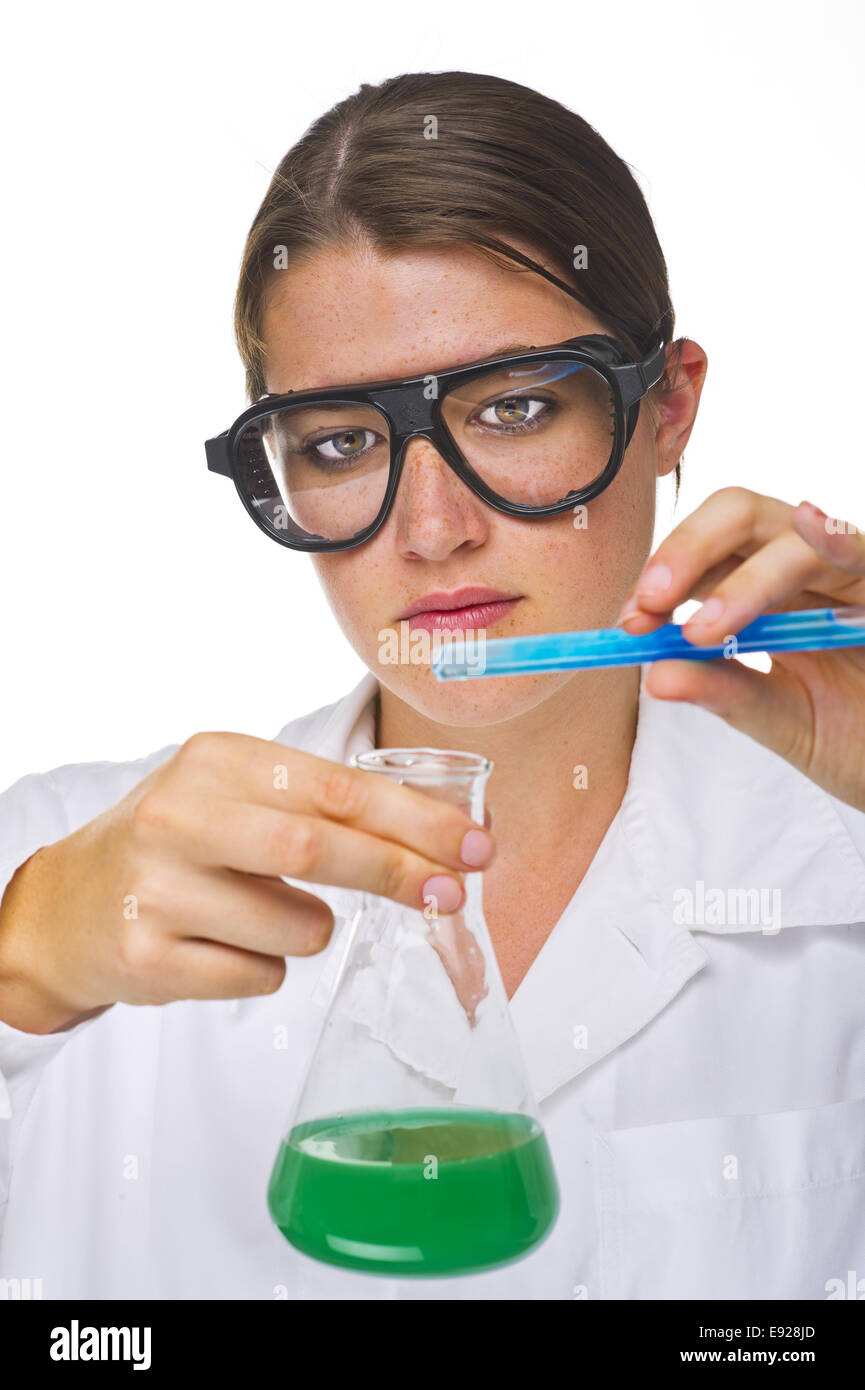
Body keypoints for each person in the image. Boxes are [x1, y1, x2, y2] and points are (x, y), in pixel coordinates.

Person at [1, 70, 863, 1302]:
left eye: (513, 406)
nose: (433, 527)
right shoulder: (51, 855)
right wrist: (23, 963)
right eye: (342, 442)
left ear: (667, 407)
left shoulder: (841, 848)